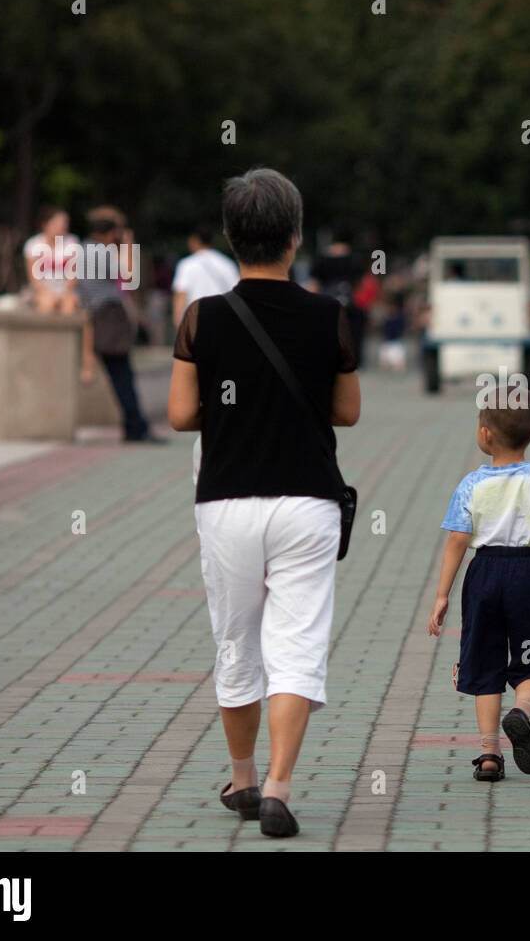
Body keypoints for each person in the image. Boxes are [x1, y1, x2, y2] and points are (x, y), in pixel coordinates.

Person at [168, 168, 361, 838]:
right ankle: (281, 785)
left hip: (224, 501)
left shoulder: (204, 318)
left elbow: (179, 413)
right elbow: (349, 410)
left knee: (236, 641)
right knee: (297, 643)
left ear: (230, 237)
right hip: (307, 500)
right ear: (295, 237)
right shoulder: (328, 317)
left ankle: (243, 776)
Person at [428, 391, 530, 782]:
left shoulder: (471, 484)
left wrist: (443, 594)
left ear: (484, 435)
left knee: (485, 662)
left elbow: (457, 541)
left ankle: (490, 755)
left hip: (483, 576)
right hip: (526, 575)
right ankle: (522, 713)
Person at [75, 207, 162, 443]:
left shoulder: (82, 249)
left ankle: (134, 425)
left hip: (94, 313)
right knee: (123, 374)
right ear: (112, 233)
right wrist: (128, 246)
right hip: (109, 315)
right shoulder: (101, 253)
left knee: (119, 374)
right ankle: (136, 427)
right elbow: (129, 277)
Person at [312, 223, 368, 366]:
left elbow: (314, 285)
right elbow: (361, 286)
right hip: (350, 307)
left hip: (327, 306)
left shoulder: (321, 258)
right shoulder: (356, 259)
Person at [172, 224, 240, 326]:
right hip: (223, 320)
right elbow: (236, 294)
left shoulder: (187, 265)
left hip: (196, 321)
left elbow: (181, 295)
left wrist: (178, 324)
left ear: (194, 240)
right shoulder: (227, 263)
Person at [23, 206, 80, 315]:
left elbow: (73, 276)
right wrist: (46, 291)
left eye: (64, 224)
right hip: (41, 289)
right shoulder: (33, 244)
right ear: (46, 224)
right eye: (57, 224)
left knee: (69, 304)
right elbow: (34, 277)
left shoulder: (72, 243)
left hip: (65, 289)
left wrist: (64, 292)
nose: (62, 227)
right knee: (47, 302)